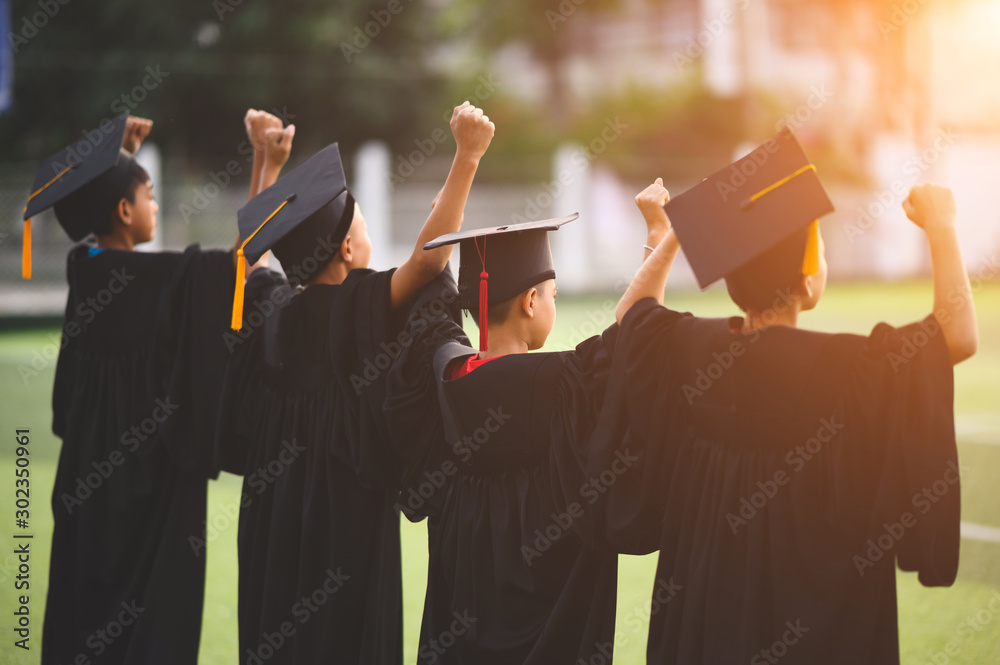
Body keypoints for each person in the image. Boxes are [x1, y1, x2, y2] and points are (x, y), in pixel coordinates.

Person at [594, 128, 977, 664]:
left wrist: (673, 234)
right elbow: (956, 335)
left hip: (708, 616)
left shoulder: (696, 350)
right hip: (814, 622)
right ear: (804, 278)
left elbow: (632, 317)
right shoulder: (846, 366)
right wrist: (943, 226)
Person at [212, 102, 495, 665]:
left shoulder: (272, 310)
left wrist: (265, 167)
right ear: (346, 248)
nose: (367, 239)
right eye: (363, 228)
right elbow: (429, 261)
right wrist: (467, 156)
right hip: (343, 510)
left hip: (273, 514)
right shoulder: (353, 307)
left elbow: (250, 263)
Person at [33, 110, 292, 664]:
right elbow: (239, 274)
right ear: (124, 211)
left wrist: (116, 160)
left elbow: (221, 279)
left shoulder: (87, 270)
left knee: (88, 618)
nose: (156, 205)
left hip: (90, 485)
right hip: (154, 483)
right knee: (152, 629)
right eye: (147, 195)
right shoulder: (147, 282)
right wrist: (266, 163)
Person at [382, 204, 671, 663]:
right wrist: (659, 235)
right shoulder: (557, 381)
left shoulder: (442, 368)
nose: (552, 301)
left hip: (467, 588)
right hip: (545, 597)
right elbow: (631, 335)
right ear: (531, 301)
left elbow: (429, 303)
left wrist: (445, 206)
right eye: (552, 293)